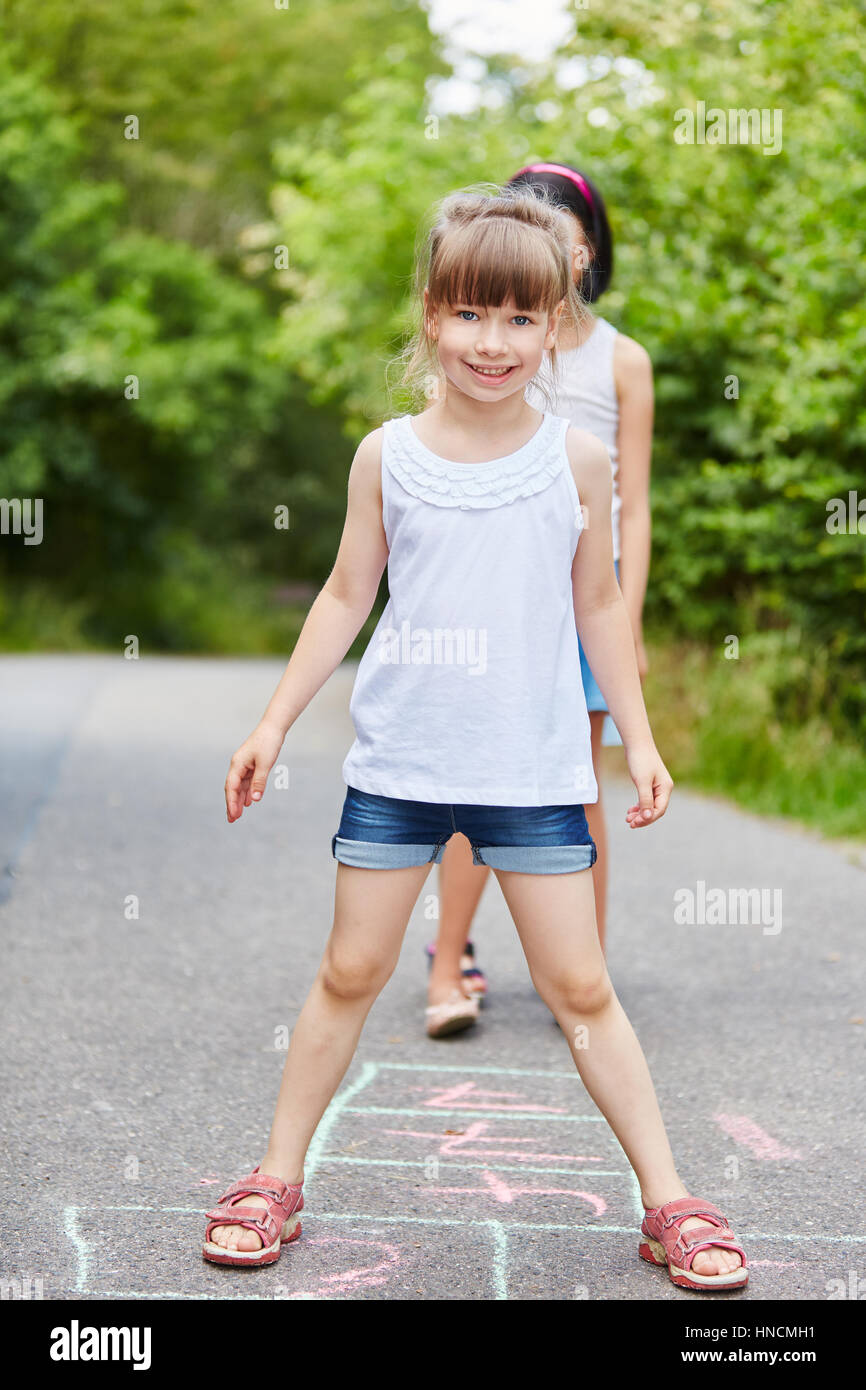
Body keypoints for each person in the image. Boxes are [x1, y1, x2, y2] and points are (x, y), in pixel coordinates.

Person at [201, 186, 747, 1292]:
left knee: (579, 988)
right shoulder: (385, 454)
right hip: (401, 765)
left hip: (532, 769)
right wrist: (271, 721)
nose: (489, 343)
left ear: (552, 327)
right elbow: (346, 593)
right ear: (429, 317)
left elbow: (599, 605)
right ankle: (273, 1177)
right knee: (349, 968)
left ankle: (669, 1200)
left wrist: (635, 742)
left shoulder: (574, 458)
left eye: (516, 320)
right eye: (466, 315)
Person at [427, 163, 653, 1036]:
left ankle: (581, 980)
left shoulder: (620, 358)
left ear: (585, 248)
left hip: (588, 592)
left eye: (562, 222)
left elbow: (637, 501)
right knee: (473, 778)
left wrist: (626, 621)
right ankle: (448, 964)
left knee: (577, 786)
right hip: (503, 588)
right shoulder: (490, 348)